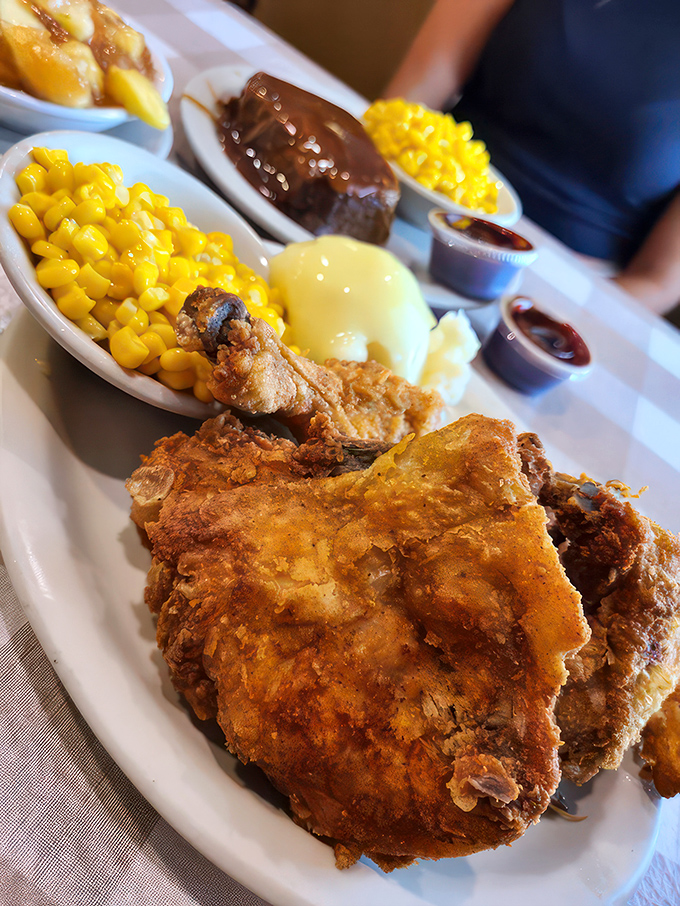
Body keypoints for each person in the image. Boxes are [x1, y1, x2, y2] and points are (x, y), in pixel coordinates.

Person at [383, 0, 680, 318]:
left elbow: (656, 282)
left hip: (566, 296)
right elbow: (413, 97)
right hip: (428, 211)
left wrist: (554, 315)